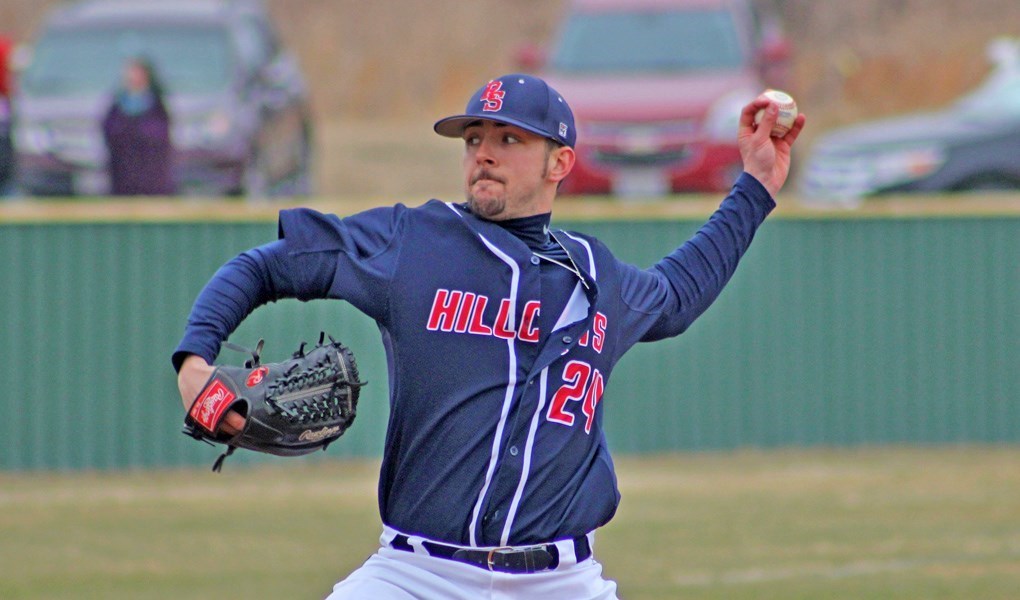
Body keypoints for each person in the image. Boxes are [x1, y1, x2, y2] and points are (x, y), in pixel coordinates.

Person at [172, 73, 805, 599]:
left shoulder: (596, 275)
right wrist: (196, 360)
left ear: (561, 162)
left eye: (508, 138)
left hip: (561, 581)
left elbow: (678, 295)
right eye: (474, 137)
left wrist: (755, 186)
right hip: (418, 575)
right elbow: (267, 263)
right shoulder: (413, 242)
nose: (484, 152)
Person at [101, 57, 175, 195]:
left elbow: (161, 130)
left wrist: (141, 131)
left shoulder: (155, 102)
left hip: (150, 166)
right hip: (124, 165)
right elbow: (109, 127)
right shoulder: (118, 102)